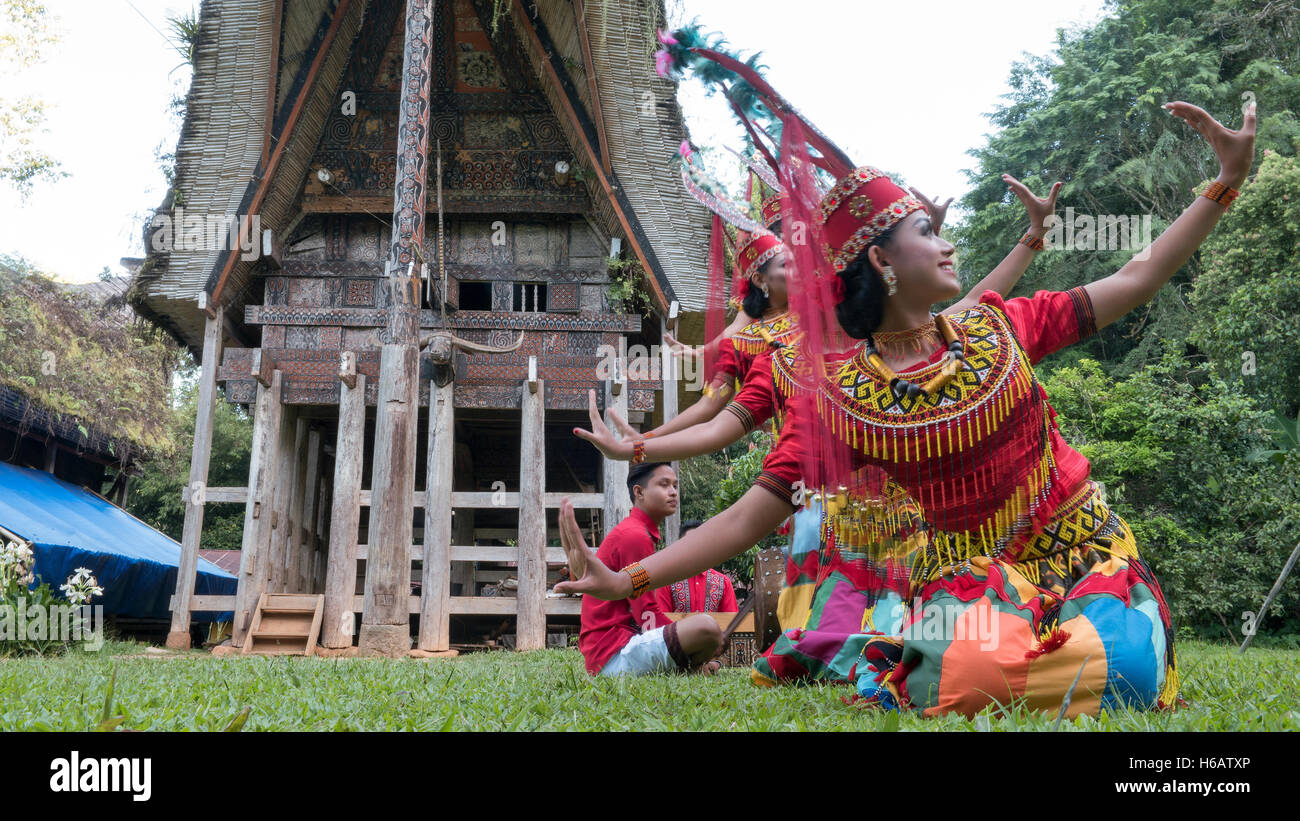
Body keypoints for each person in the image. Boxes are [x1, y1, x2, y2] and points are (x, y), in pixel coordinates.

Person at [558, 90, 1256, 717]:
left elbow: (1135, 276)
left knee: (1128, 663)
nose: (948, 240)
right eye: (927, 230)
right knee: (958, 673)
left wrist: (1222, 185)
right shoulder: (837, 401)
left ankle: (1075, 646)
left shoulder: (1000, 326)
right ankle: (981, 654)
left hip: (1083, 556)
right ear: (883, 263)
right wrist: (626, 577)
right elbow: (745, 517)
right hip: (976, 587)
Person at [577, 462, 724, 677]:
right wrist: (686, 634)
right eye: (664, 485)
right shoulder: (634, 536)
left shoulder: (637, 532)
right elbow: (645, 613)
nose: (673, 492)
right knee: (707, 628)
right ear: (639, 492)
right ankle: (694, 667)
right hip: (614, 654)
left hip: (616, 649)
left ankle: (692, 667)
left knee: (703, 629)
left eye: (675, 485)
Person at [654, 521, 738, 615]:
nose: (695, 547)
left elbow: (732, 623)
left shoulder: (723, 583)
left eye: (699, 541)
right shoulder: (667, 582)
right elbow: (660, 622)